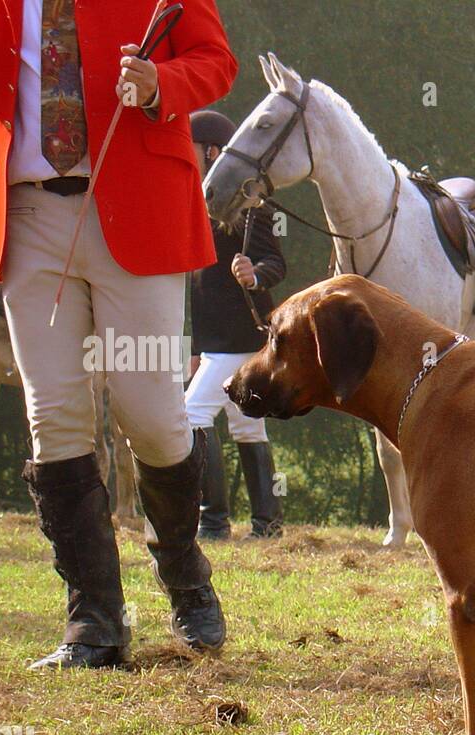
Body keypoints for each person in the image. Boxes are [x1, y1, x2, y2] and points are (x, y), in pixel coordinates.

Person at [0, 0, 238, 669]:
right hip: (29, 215)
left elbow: (216, 62)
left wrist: (160, 84)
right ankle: (94, 623)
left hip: (141, 206)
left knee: (151, 415)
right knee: (56, 414)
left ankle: (185, 576)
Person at [184, 109, 286, 541]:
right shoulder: (196, 206)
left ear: (211, 152)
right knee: (246, 425)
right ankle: (267, 524)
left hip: (243, 336)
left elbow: (275, 262)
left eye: (190, 150)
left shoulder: (249, 207)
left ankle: (212, 521)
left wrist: (254, 274)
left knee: (191, 414)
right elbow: (199, 286)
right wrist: (196, 347)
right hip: (216, 341)